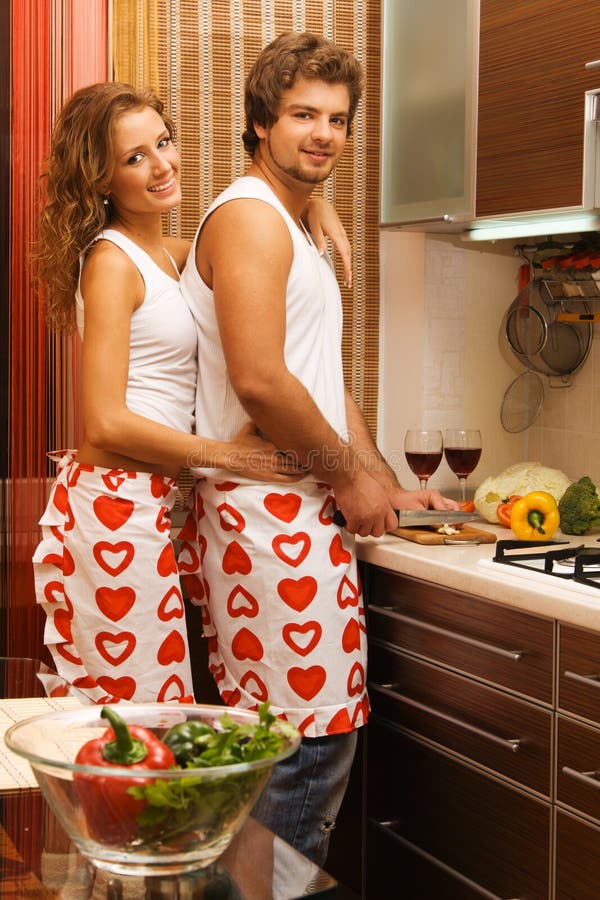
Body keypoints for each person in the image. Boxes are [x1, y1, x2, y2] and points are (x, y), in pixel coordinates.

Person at [179, 32, 458, 864]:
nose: (324, 133)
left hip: (293, 516)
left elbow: (320, 380)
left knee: (307, 741)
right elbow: (263, 383)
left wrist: (378, 481)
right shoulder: (251, 222)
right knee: (300, 751)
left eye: (337, 118)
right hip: (264, 517)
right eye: (304, 113)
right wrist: (350, 484)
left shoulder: (289, 225)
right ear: (261, 120)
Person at [31, 81, 348, 705]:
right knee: (139, 725)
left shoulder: (166, 254)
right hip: (111, 510)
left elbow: (240, 233)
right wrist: (226, 455)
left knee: (159, 714)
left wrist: (313, 202)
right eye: (134, 157)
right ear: (100, 179)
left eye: (164, 143)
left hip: (146, 506)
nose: (161, 165)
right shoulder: (111, 263)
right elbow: (103, 424)